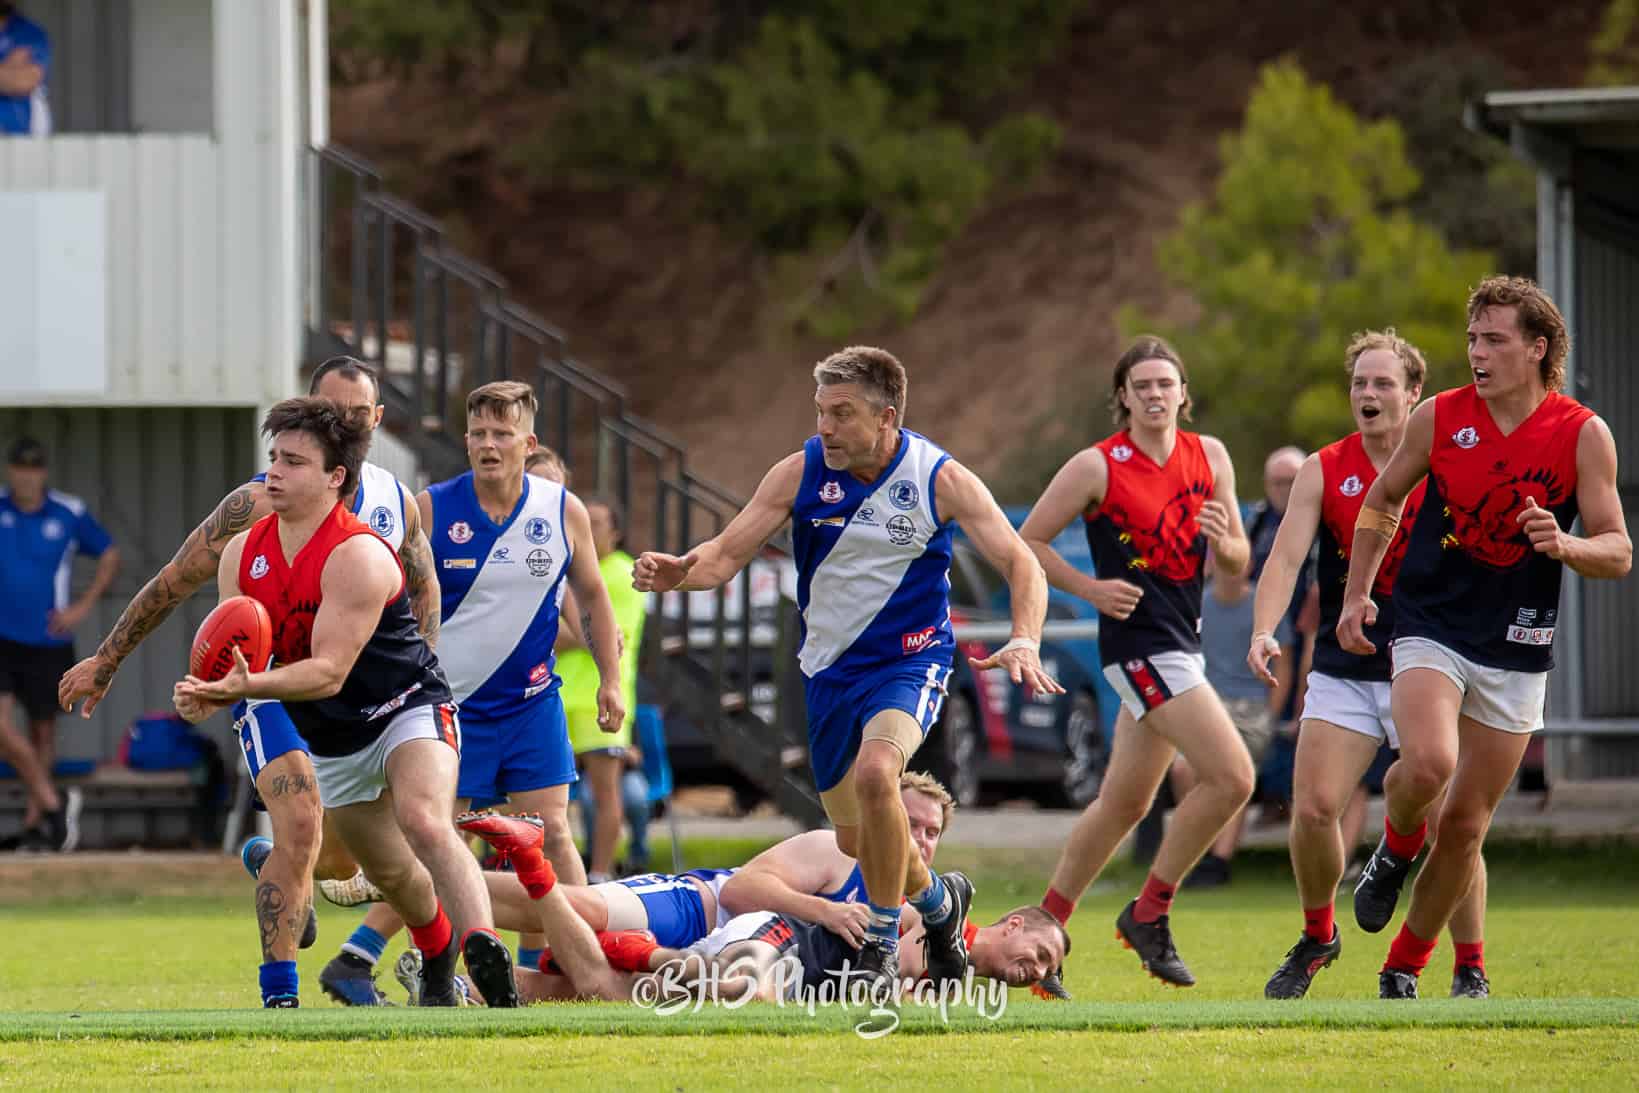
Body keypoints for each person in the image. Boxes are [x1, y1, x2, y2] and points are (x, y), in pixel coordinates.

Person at [634, 345, 1060, 991]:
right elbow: (722, 556)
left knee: (877, 770)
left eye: (841, 413)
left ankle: (882, 943)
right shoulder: (798, 473)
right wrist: (679, 574)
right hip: (828, 672)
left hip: (910, 660)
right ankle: (939, 904)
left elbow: (1021, 562)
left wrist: (1025, 637)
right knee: (860, 842)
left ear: (886, 417)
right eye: (820, 412)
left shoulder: (939, 479)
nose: (824, 427)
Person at [58, 357, 440, 1007]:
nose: (343, 423)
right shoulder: (256, 503)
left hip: (354, 695)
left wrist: (423, 681)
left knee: (340, 862)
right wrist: (107, 659)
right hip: (262, 683)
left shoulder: (394, 501)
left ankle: (273, 863)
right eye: (331, 411)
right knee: (301, 822)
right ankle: (280, 1002)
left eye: (356, 415)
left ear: (374, 421)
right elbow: (175, 579)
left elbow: (424, 588)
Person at [1339, 278, 1631, 999]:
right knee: (1429, 762)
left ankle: (1402, 968)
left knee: (1467, 827)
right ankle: (1395, 846)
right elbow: (1383, 498)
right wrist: (1356, 594)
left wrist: (1565, 544)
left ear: (1536, 348)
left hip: (1518, 641)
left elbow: (1618, 550)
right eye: (1472, 339)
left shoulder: (1581, 433)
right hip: (1430, 622)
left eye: (1494, 340)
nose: (1477, 352)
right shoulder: (1439, 417)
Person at [173, 398, 517, 1009]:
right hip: (333, 739)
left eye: (294, 462)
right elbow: (236, 659)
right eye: (274, 458)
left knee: (425, 820)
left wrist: (239, 687)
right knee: (387, 874)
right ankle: (438, 955)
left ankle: (485, 953)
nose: (274, 472)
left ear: (336, 477)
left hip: (405, 707)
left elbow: (330, 673)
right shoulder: (241, 555)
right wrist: (208, 692)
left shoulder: (358, 554)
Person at [323, 382, 625, 994]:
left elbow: (592, 595)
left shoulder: (561, 510)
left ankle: (574, 964)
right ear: (465, 441)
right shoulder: (433, 508)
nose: (489, 445)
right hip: (447, 709)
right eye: (479, 434)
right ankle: (417, 962)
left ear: (528, 444)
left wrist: (611, 682)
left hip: (531, 704)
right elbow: (390, 590)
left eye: (502, 434)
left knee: (552, 833)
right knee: (440, 842)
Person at [1250, 329, 1491, 1000]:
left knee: (1451, 825)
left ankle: (1468, 964)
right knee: (1313, 808)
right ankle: (1317, 935)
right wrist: (1264, 629)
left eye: (1383, 382)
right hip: (1345, 665)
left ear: (1414, 395)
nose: (1368, 393)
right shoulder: (1325, 468)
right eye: (1359, 382)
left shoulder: (1447, 464)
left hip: (1433, 664)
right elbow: (1285, 559)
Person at [1022, 335, 1252, 989]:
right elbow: (1027, 540)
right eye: (1141, 385)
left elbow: (1237, 561)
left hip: (1183, 644)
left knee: (1123, 804)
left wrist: (1225, 543)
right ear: (1122, 397)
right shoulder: (1096, 465)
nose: (1154, 394)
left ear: (1183, 393)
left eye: (1164, 383)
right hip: (1140, 647)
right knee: (1232, 777)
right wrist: (1089, 590)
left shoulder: (1210, 455)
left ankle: (1043, 931)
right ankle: (1149, 911)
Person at [458, 810, 1070, 1004]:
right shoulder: (844, 852)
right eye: (909, 823)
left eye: (932, 832)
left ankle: (463, 988)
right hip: (710, 911)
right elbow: (740, 890)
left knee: (593, 991)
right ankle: (433, 883)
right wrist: (824, 911)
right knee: (586, 913)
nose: (920, 842)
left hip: (740, 952)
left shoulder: (923, 913)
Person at [0, 437, 118, 850]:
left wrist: (81, 607)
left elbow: (109, 554)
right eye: (20, 468)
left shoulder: (68, 512)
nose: (26, 477)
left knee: (43, 732)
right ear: (10, 471)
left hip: (48, 639)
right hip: (2, 637)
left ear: (43, 473)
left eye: (33, 469)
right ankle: (55, 804)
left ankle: (38, 826)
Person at [1171, 550, 1283, 888]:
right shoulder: (1198, 604)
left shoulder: (1262, 606)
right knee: (1182, 770)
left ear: (1250, 564)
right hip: (1208, 701)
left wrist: (1272, 713)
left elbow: (1286, 663)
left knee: (1234, 775)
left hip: (1252, 707)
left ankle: (1219, 861)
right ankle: (1197, 850)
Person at [558, 494, 647, 882]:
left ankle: (598, 875)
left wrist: (561, 633)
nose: (589, 532)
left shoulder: (620, 574)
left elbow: (601, 636)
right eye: (585, 523)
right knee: (548, 796)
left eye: (597, 524)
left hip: (601, 696)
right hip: (558, 694)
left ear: (616, 533)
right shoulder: (571, 571)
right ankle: (554, 876)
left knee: (605, 793)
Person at [0, 4, 49, 137]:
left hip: (21, 137)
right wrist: (8, 70)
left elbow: (25, 81)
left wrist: (13, 78)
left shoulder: (28, 31)